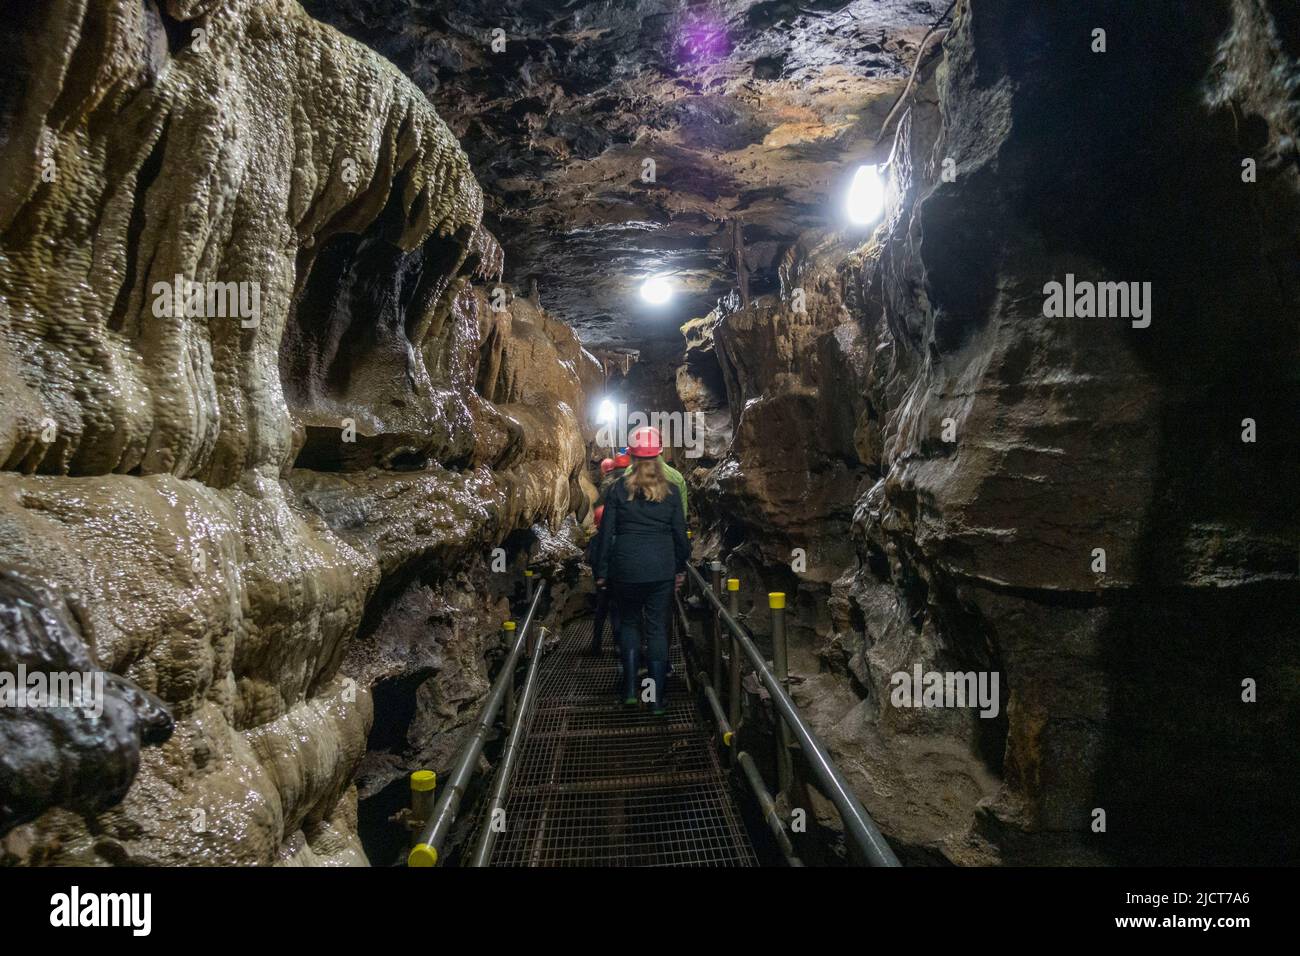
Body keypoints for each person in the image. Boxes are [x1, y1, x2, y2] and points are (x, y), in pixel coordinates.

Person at [595, 426, 688, 714]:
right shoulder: (671, 491)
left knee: (630, 625)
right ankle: (657, 700)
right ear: (659, 454)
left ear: (632, 457)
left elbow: (606, 533)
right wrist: (680, 567)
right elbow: (680, 536)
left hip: (626, 570)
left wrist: (601, 570)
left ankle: (631, 692)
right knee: (658, 630)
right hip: (660, 569)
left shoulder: (616, 490)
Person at [585, 505, 620, 655]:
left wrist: (598, 574)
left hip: (601, 582)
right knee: (616, 613)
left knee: (600, 613)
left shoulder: (594, 540)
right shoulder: (618, 539)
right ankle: (618, 645)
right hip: (616, 581)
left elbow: (590, 558)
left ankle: (596, 645)